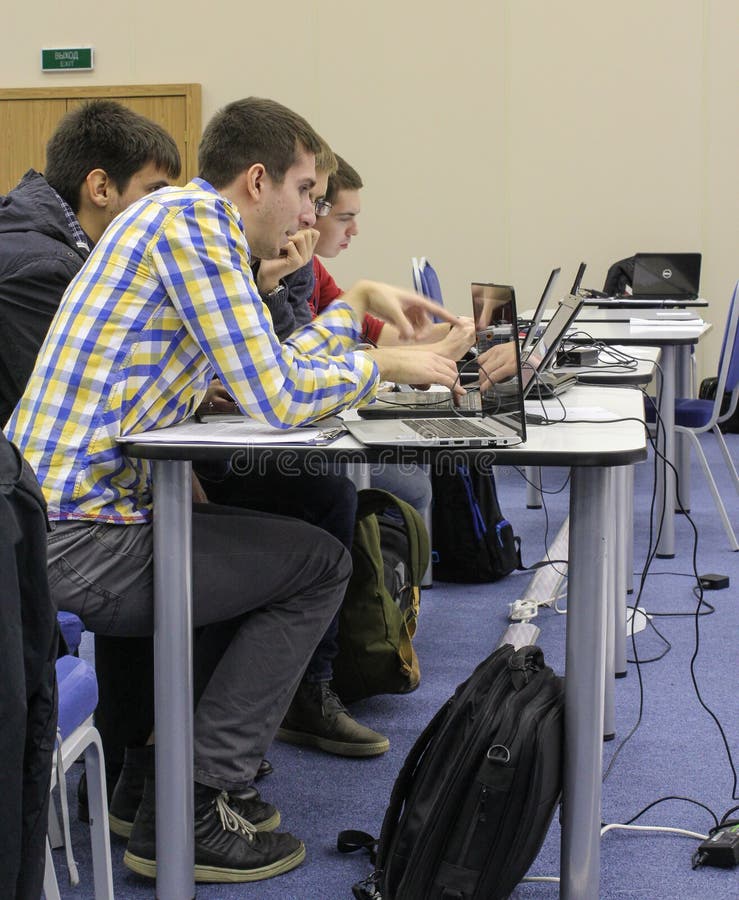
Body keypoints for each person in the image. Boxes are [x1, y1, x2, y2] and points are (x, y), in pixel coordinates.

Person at [6, 96, 462, 883]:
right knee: (316, 562)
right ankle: (196, 801)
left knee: (266, 545)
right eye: (308, 193)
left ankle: (161, 788)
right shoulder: (195, 228)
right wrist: (383, 363)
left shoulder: (184, 226)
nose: (312, 217)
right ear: (258, 181)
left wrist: (352, 310)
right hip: (71, 534)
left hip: (56, 521)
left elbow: (259, 364)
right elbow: (280, 395)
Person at [0, 99, 182, 821]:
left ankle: (146, 771)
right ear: (101, 188)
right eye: (153, 196)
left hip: (33, 501)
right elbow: (80, 408)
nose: (164, 218)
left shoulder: (58, 247)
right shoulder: (41, 265)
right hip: (26, 518)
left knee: (173, 530)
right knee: (170, 550)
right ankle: (149, 779)